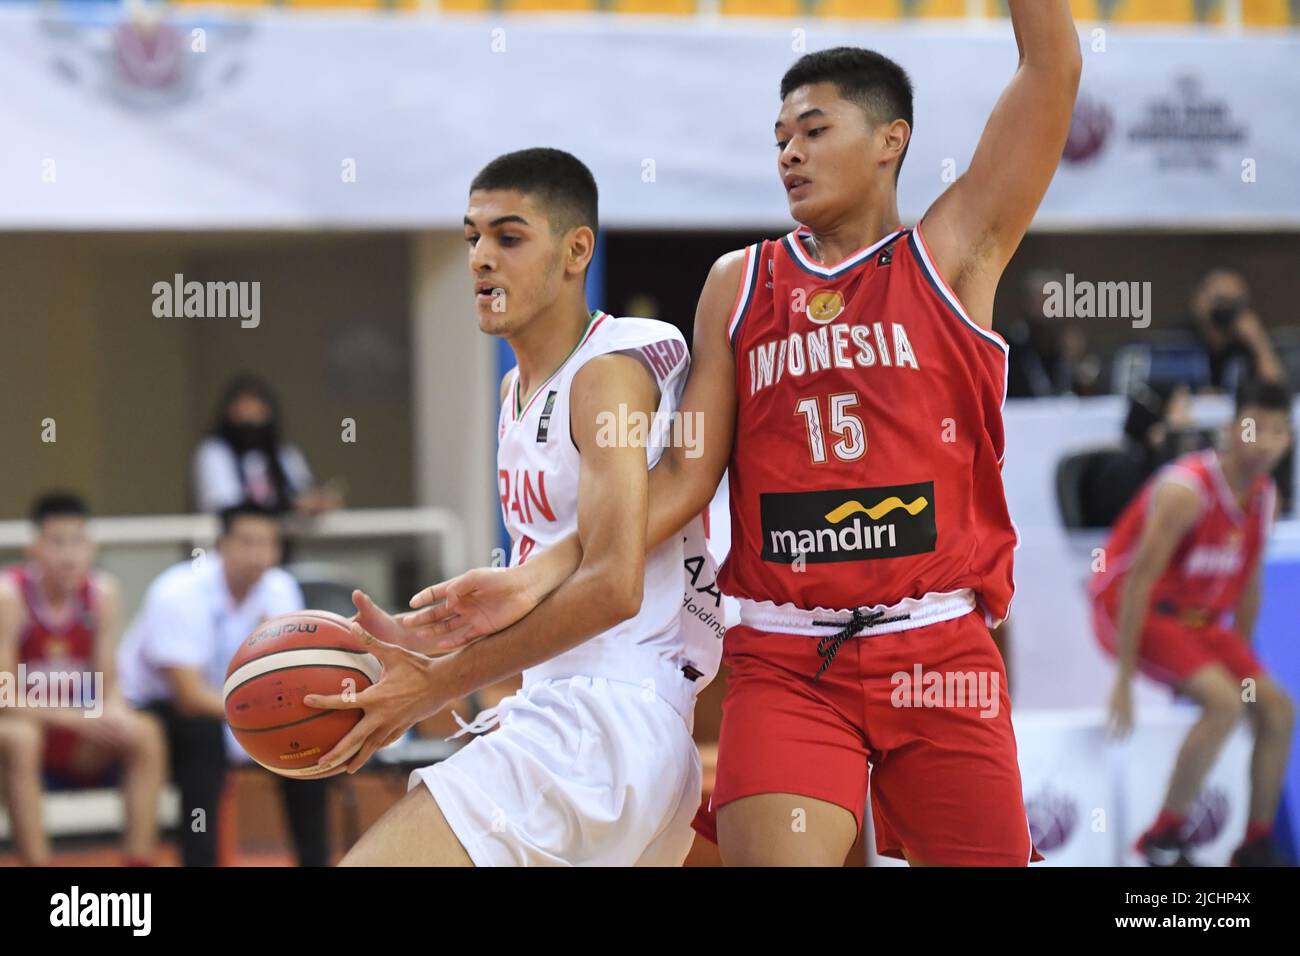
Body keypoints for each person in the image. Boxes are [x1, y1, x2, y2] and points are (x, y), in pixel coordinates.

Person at [410, 3, 1081, 866]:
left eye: (813, 129)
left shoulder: (950, 255)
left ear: (891, 140)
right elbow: (688, 472)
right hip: (789, 656)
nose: (789, 153)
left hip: (936, 645)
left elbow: (1051, 70)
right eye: (778, 139)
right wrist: (537, 573)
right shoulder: (740, 282)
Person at [304, 147, 721, 867]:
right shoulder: (515, 395)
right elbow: (569, 565)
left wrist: (441, 682)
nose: (480, 258)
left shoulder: (607, 376)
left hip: (602, 719)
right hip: (607, 733)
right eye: (471, 238)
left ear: (575, 251)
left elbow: (614, 585)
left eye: (509, 236)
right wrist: (439, 635)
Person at [1092, 379, 1295, 867]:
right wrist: (1121, 682)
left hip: (1197, 621)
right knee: (1223, 704)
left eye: (1278, 432)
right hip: (1127, 608)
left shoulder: (1266, 499)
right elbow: (1138, 581)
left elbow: (1248, 588)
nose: (1265, 441)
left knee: (1279, 710)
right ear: (1230, 430)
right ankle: (1163, 837)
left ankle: (1255, 844)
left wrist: (1243, 666)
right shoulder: (1188, 491)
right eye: (1255, 428)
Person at [115, 502, 332, 866]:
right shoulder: (178, 592)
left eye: (267, 544)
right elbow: (186, 695)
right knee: (202, 736)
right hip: (160, 706)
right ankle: (200, 861)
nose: (258, 555)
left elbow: (291, 676)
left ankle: (316, 862)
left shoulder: (281, 589)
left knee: (306, 742)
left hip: (238, 707)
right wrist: (259, 717)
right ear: (221, 546)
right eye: (247, 542)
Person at [0, 493, 165, 866]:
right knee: (23, 737)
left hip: (74, 738)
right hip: (18, 735)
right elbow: (4, 693)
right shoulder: (9, 596)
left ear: (92, 548)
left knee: (145, 732)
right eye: (57, 543)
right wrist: (78, 717)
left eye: (78, 542)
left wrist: (114, 711)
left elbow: (107, 686)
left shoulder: (102, 594)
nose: (70, 554)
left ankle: (138, 859)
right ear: (34, 549)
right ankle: (37, 862)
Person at [193, 374, 342, 516]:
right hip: (233, 538)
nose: (250, 424)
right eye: (243, 416)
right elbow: (225, 503)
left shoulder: (283, 452)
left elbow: (302, 492)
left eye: (257, 415)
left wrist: (315, 502)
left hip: (277, 539)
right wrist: (287, 506)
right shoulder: (214, 451)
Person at [1186, 269, 1286, 394]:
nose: (1225, 309)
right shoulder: (1178, 338)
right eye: (1220, 300)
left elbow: (1276, 392)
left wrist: (1259, 342)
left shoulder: (1247, 344)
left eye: (1233, 302)